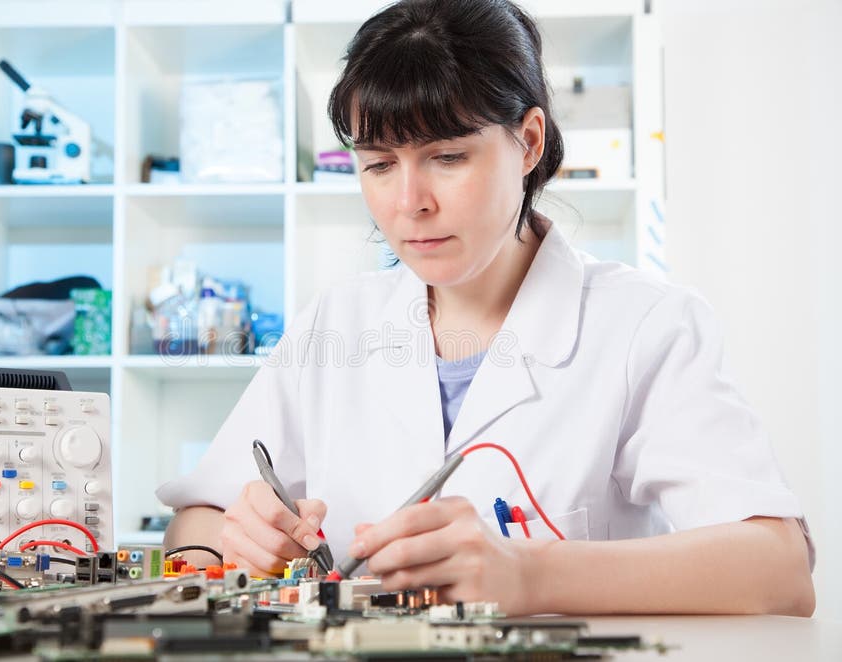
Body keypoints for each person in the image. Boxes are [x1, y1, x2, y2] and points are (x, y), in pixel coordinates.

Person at [157, 0, 815, 616]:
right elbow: (194, 523)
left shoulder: (648, 326)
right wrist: (232, 543)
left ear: (529, 143)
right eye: (379, 165)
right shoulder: (335, 325)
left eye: (446, 156)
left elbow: (780, 570)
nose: (409, 201)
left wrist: (529, 575)